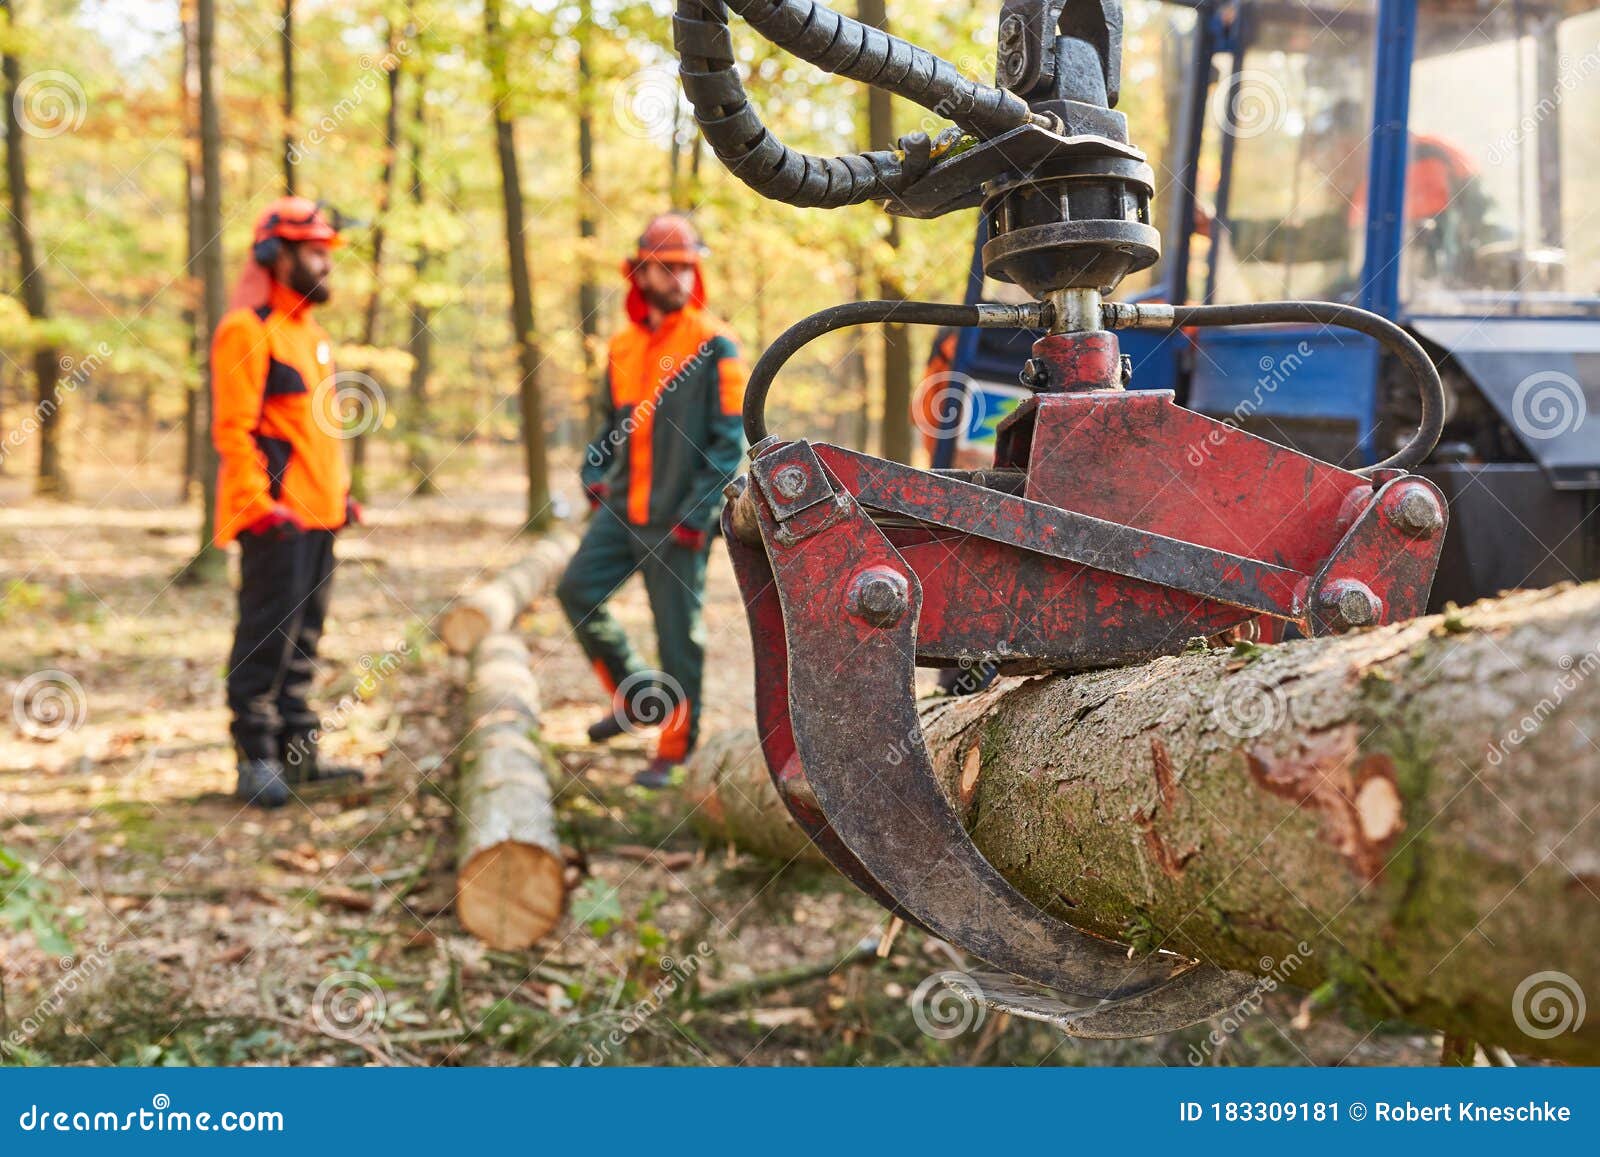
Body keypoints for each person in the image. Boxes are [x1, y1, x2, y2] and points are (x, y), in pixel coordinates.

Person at [557, 213, 747, 788]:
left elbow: (728, 441)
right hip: (621, 509)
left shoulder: (715, 344)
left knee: (677, 637)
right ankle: (639, 697)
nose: (681, 279)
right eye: (668, 268)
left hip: (676, 518)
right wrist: (594, 474)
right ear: (639, 272)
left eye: (688, 267)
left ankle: (675, 749)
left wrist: (698, 514)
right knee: (577, 591)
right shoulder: (621, 346)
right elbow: (607, 427)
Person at [212, 196, 362, 809]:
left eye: (328, 253)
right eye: (313, 253)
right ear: (277, 255)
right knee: (264, 641)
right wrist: (259, 506)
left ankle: (300, 754)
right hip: (275, 519)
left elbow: (316, 431)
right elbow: (234, 430)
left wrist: (343, 497)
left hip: (320, 515)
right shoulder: (245, 331)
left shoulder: (314, 336)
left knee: (304, 643)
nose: (325, 264)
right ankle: (257, 757)